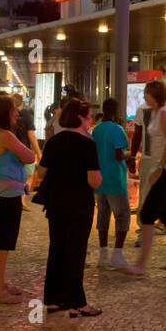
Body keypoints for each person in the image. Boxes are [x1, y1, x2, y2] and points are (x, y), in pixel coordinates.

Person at [33, 98, 102, 316]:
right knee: (76, 252)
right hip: (80, 204)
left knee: (57, 249)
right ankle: (77, 303)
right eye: (89, 116)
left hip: (56, 202)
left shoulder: (54, 141)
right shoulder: (87, 143)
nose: (90, 120)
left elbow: (41, 172)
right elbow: (93, 180)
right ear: (80, 117)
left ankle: (53, 300)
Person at [0, 95, 36, 303]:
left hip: (0, 192)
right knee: (2, 243)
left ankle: (0, 284)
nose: (17, 113)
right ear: (5, 113)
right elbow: (29, 157)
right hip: (6, 194)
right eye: (13, 110)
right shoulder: (5, 135)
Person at [133, 79, 166, 269]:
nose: (144, 95)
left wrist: (160, 167)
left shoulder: (164, 113)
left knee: (148, 213)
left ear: (155, 94)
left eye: (147, 92)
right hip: (162, 167)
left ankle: (140, 264)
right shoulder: (154, 112)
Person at [91, 97, 131, 269]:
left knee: (103, 215)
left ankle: (103, 255)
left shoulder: (96, 129)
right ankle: (117, 255)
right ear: (115, 111)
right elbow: (118, 155)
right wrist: (129, 157)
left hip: (100, 179)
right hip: (115, 179)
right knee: (122, 216)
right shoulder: (117, 129)